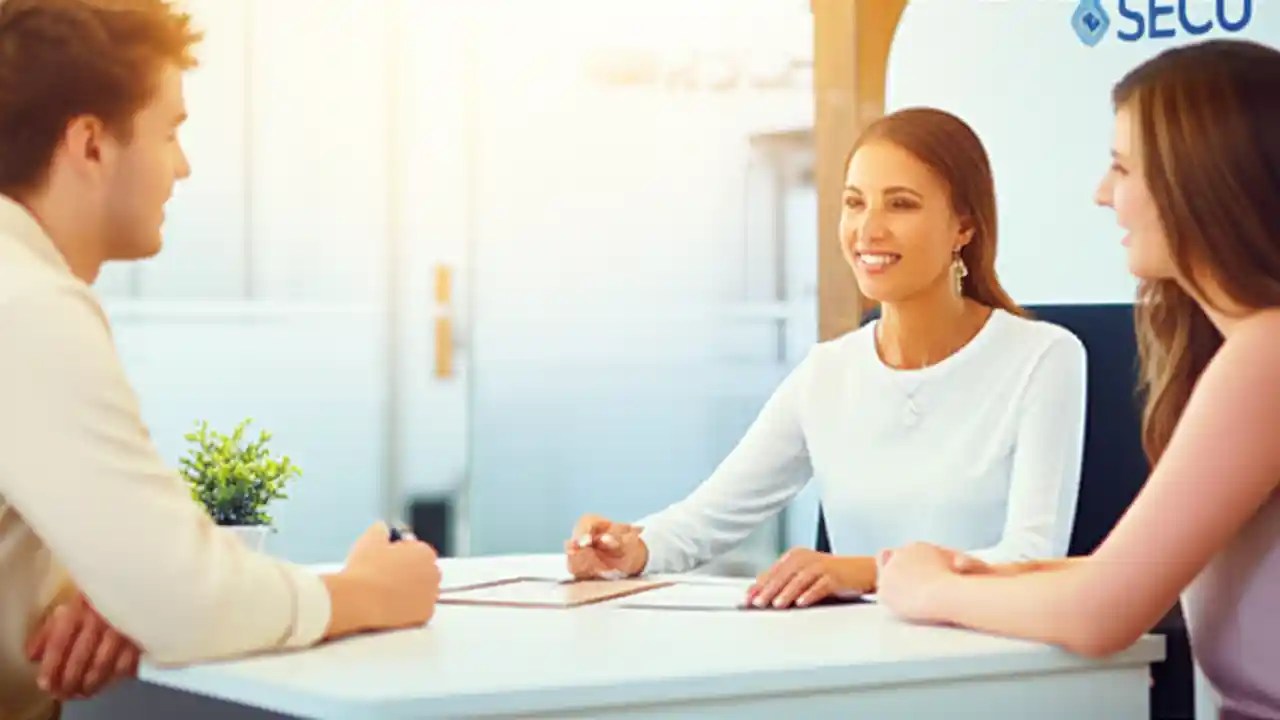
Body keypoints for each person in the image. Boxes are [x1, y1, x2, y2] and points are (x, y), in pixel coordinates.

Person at [0, 2, 440, 718]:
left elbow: (160, 581)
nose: (182, 166)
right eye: (169, 131)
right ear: (90, 145)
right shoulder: (28, 307)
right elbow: (186, 598)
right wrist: (368, 592)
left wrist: (124, 587)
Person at [876, 39, 1280, 720]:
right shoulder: (1251, 351)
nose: (1102, 194)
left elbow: (1104, 613)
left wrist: (926, 590)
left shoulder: (1266, 357)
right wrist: (996, 575)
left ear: (1202, 182)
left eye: (1122, 168)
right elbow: (1139, 573)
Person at [565, 107, 1089, 609]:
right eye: (855, 203)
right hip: (858, 655)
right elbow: (706, 519)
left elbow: (1031, 558)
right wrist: (629, 551)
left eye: (901, 204)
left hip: (992, 655)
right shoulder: (828, 372)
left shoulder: (1043, 358)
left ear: (964, 227)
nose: (868, 229)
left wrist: (863, 572)